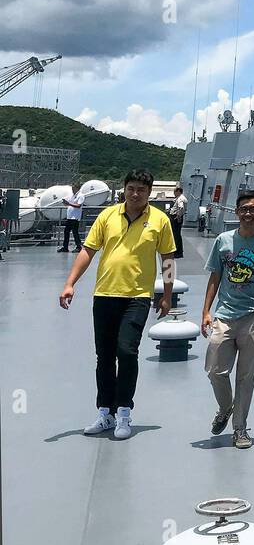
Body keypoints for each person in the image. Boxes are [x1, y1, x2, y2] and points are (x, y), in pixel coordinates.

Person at [59, 170, 176, 441]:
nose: (135, 194)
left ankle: (124, 412)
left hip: (137, 297)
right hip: (104, 295)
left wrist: (167, 295)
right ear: (124, 189)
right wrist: (70, 283)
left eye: (141, 190)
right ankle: (105, 412)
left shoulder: (160, 220)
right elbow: (88, 250)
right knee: (104, 357)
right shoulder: (107, 216)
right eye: (131, 188)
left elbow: (168, 259)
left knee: (126, 351)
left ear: (149, 193)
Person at [201, 188, 254, 448]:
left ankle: (240, 428)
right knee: (215, 370)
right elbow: (215, 275)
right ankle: (226, 407)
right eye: (244, 209)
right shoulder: (223, 240)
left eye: (253, 209)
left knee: (246, 376)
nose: (248, 213)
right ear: (237, 212)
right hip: (225, 314)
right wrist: (206, 310)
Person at [59, 180, 85, 253]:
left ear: (77, 188)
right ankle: (65, 247)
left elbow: (78, 205)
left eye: (73, 188)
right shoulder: (72, 195)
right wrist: (65, 203)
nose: (72, 189)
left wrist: (69, 203)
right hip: (70, 217)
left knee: (75, 232)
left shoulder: (81, 195)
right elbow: (69, 203)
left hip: (75, 217)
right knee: (66, 231)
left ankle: (79, 246)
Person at [169, 184, 187, 259]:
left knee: (176, 235)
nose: (174, 193)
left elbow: (181, 207)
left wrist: (178, 216)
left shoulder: (180, 199)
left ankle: (177, 252)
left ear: (178, 191)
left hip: (176, 218)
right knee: (177, 235)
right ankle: (179, 251)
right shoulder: (181, 198)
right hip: (177, 217)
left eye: (175, 192)